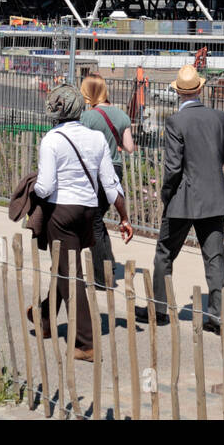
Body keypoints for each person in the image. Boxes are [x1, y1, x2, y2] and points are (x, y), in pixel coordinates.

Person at [27, 85, 134, 362]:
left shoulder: (52, 139)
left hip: (61, 213)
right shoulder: (97, 138)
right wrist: (124, 217)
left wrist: (32, 189)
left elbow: (46, 185)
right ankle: (46, 318)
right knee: (65, 265)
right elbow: (111, 184)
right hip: (88, 211)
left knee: (68, 273)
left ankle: (86, 342)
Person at [137, 64, 224, 332]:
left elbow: (173, 167)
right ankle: (217, 316)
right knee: (215, 257)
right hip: (213, 196)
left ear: (178, 93)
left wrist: (167, 194)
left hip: (183, 198)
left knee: (164, 253)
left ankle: (160, 308)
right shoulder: (219, 118)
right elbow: (221, 157)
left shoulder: (176, 121)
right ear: (200, 89)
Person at [79, 74, 136, 289]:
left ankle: (104, 276)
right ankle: (108, 265)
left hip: (96, 172)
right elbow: (129, 147)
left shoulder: (88, 118)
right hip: (116, 169)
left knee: (93, 221)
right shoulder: (121, 115)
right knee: (97, 219)